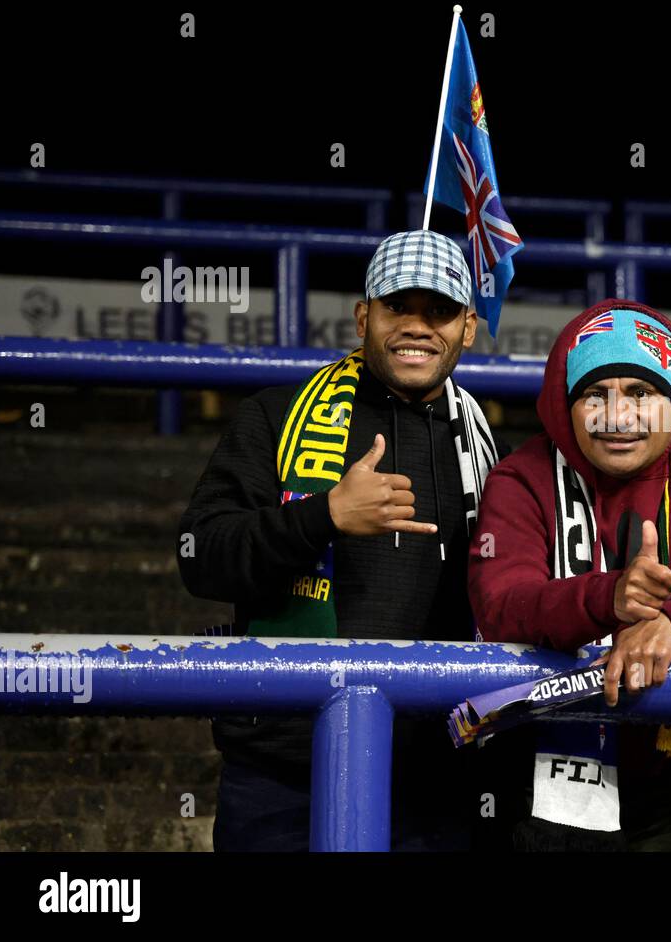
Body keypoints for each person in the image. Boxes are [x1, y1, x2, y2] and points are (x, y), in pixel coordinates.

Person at [178, 229, 502, 851]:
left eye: (438, 311)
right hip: (282, 774)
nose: (417, 326)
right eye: (397, 307)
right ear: (363, 316)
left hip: (437, 780)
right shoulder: (276, 416)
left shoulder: (489, 453)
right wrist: (322, 517)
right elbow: (201, 558)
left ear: (467, 327)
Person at [468, 300, 671, 850]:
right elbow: (501, 605)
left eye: (640, 394)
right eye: (595, 395)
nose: (618, 416)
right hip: (526, 782)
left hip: (665, 784)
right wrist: (609, 598)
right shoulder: (522, 476)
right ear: (566, 405)